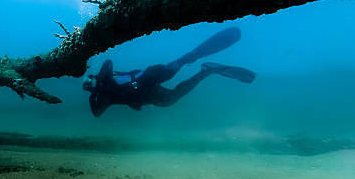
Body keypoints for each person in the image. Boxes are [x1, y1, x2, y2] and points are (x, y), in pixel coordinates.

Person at [82, 27, 256, 117]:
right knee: (170, 97)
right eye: (88, 86)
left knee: (171, 80)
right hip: (145, 89)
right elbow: (96, 113)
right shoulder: (103, 97)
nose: (90, 86)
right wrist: (94, 90)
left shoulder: (103, 83)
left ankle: (197, 62)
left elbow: (108, 62)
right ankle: (205, 70)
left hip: (145, 80)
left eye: (88, 83)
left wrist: (96, 76)